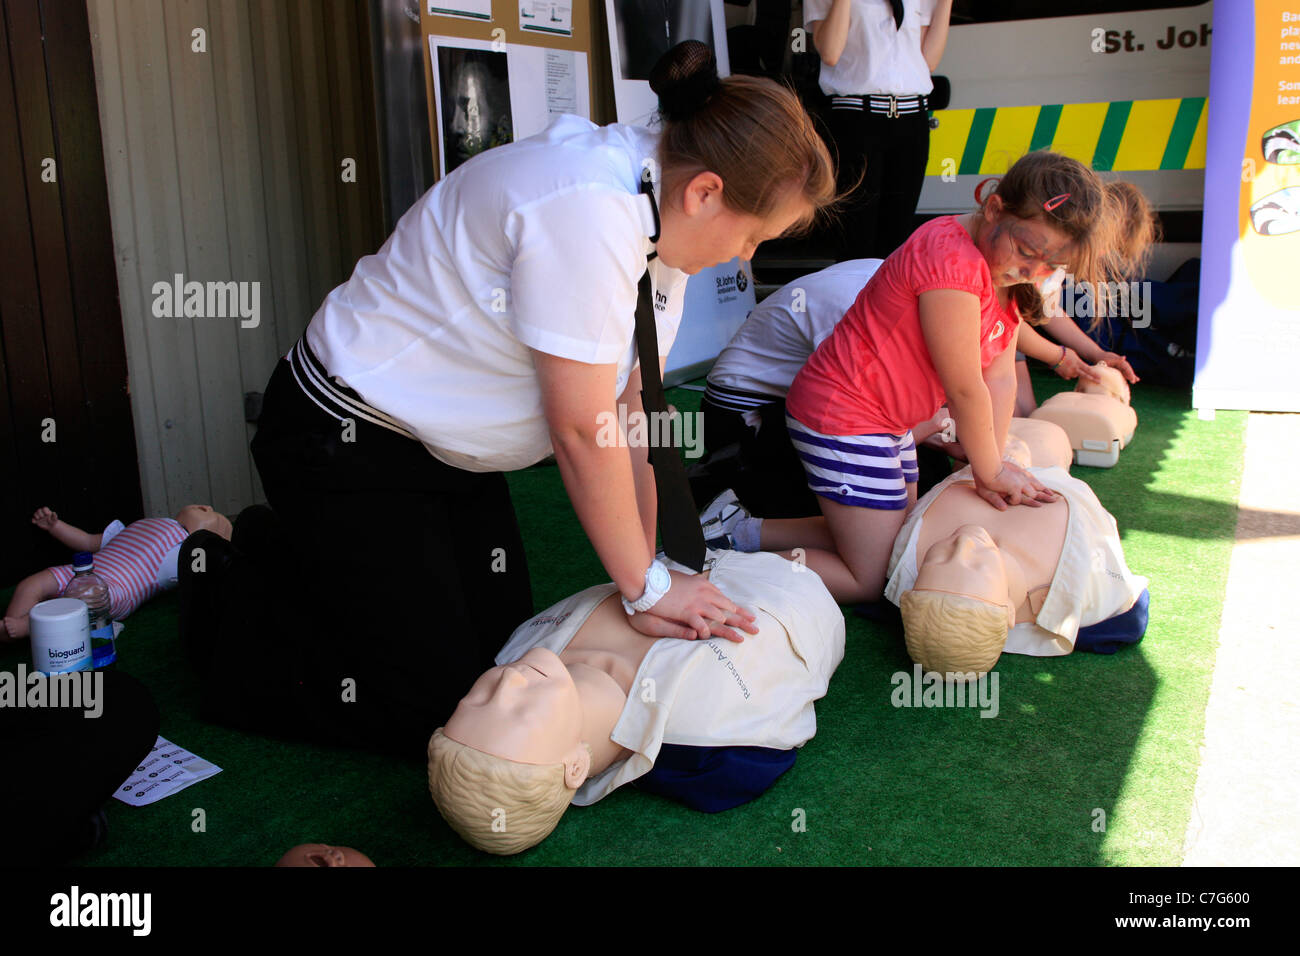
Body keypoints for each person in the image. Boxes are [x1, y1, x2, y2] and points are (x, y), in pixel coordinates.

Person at [182, 42, 838, 754]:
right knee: (438, 712)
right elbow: (582, 433)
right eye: (751, 238)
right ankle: (221, 577)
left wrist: (662, 568)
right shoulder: (590, 211)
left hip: (442, 450)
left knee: (504, 648)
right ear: (706, 192)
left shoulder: (662, 208)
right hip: (341, 434)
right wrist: (644, 588)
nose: (744, 258)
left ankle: (303, 550)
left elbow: (631, 413)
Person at [704, 150, 1155, 605]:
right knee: (871, 576)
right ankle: (717, 565)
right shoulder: (951, 260)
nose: (1033, 271)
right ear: (994, 208)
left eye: (1050, 265)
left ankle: (736, 529)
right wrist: (991, 470)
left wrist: (991, 461)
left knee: (896, 534)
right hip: (843, 416)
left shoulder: (1007, 276)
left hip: (885, 422)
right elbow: (964, 386)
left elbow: (1000, 377)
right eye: (1025, 251)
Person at [427, 548, 845, 855]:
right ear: (574, 766)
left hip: (686, 540)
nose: (507, 684)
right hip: (792, 579)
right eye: (517, 713)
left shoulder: (524, 644)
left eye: (477, 697)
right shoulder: (711, 745)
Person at [884, 442, 1149, 678]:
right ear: (1009, 612)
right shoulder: (1080, 584)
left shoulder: (906, 556)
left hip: (971, 443)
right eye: (977, 565)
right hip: (1044, 453)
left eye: (939, 557)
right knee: (1049, 433)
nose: (964, 543)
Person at [695, 258, 882, 517]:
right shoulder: (859, 307)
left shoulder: (886, 278)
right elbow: (863, 415)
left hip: (786, 398)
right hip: (742, 412)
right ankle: (735, 509)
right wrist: (934, 426)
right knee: (868, 503)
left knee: (925, 470)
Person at [806, 0, 954, 260]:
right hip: (857, 116)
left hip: (911, 117)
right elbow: (830, 51)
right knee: (856, 235)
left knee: (898, 236)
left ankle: (890, 300)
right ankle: (855, 299)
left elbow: (927, 61)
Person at [1, 505, 231, 641]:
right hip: (84, 570)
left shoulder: (185, 551)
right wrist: (55, 527)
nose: (208, 508)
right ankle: (9, 626)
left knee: (85, 600)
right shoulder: (143, 524)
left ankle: (29, 626)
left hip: (116, 589)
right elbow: (89, 541)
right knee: (32, 584)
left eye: (217, 519)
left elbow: (205, 579)